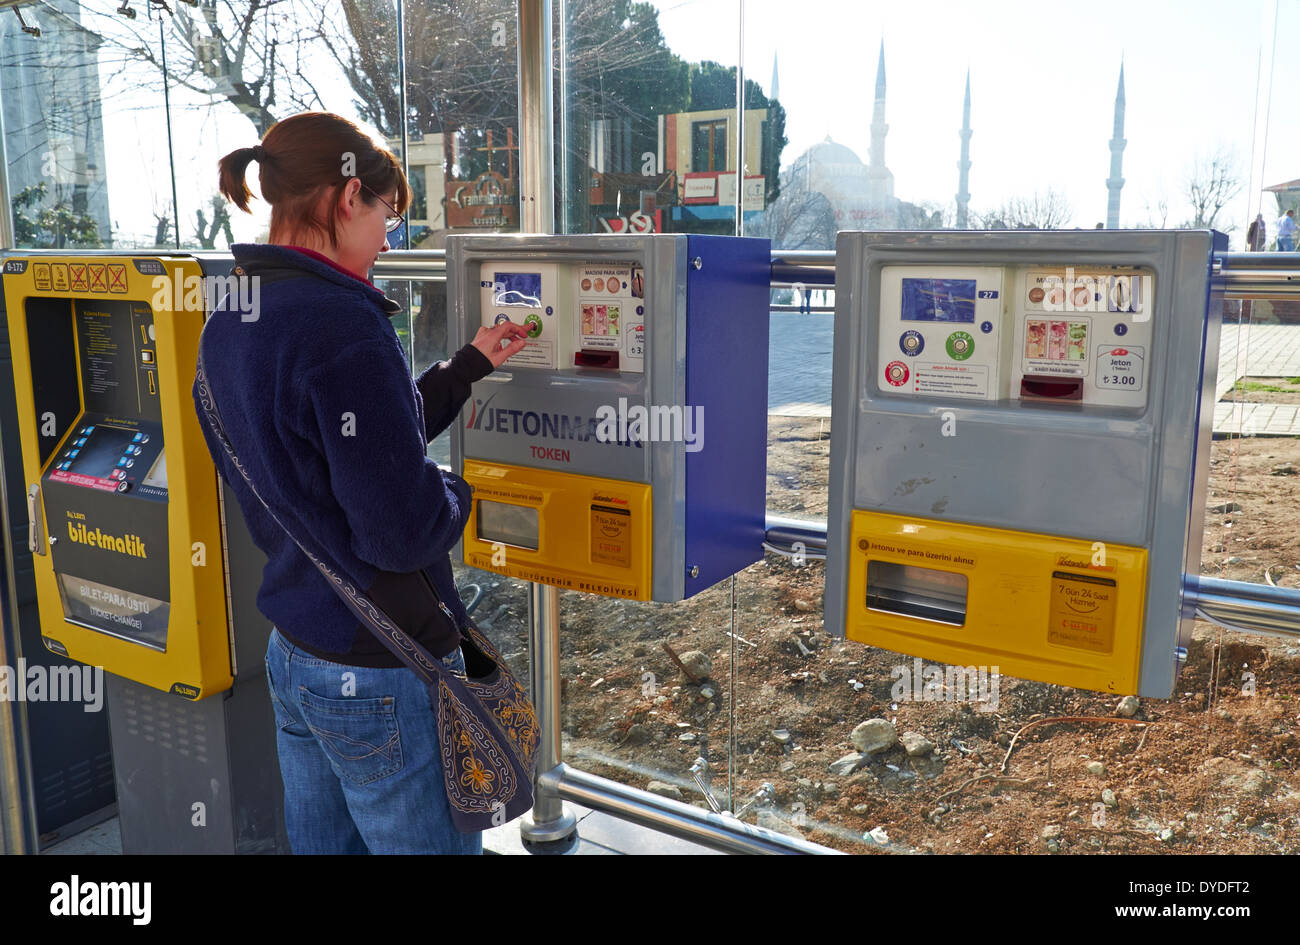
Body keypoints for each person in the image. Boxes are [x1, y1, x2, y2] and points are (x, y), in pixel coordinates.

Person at [192, 112, 527, 854]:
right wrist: (460, 492)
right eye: (386, 216)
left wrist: (464, 367)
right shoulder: (344, 324)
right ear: (348, 198)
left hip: (298, 649)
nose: (387, 240)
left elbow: (335, 447)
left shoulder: (234, 314)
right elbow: (398, 526)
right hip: (377, 674)